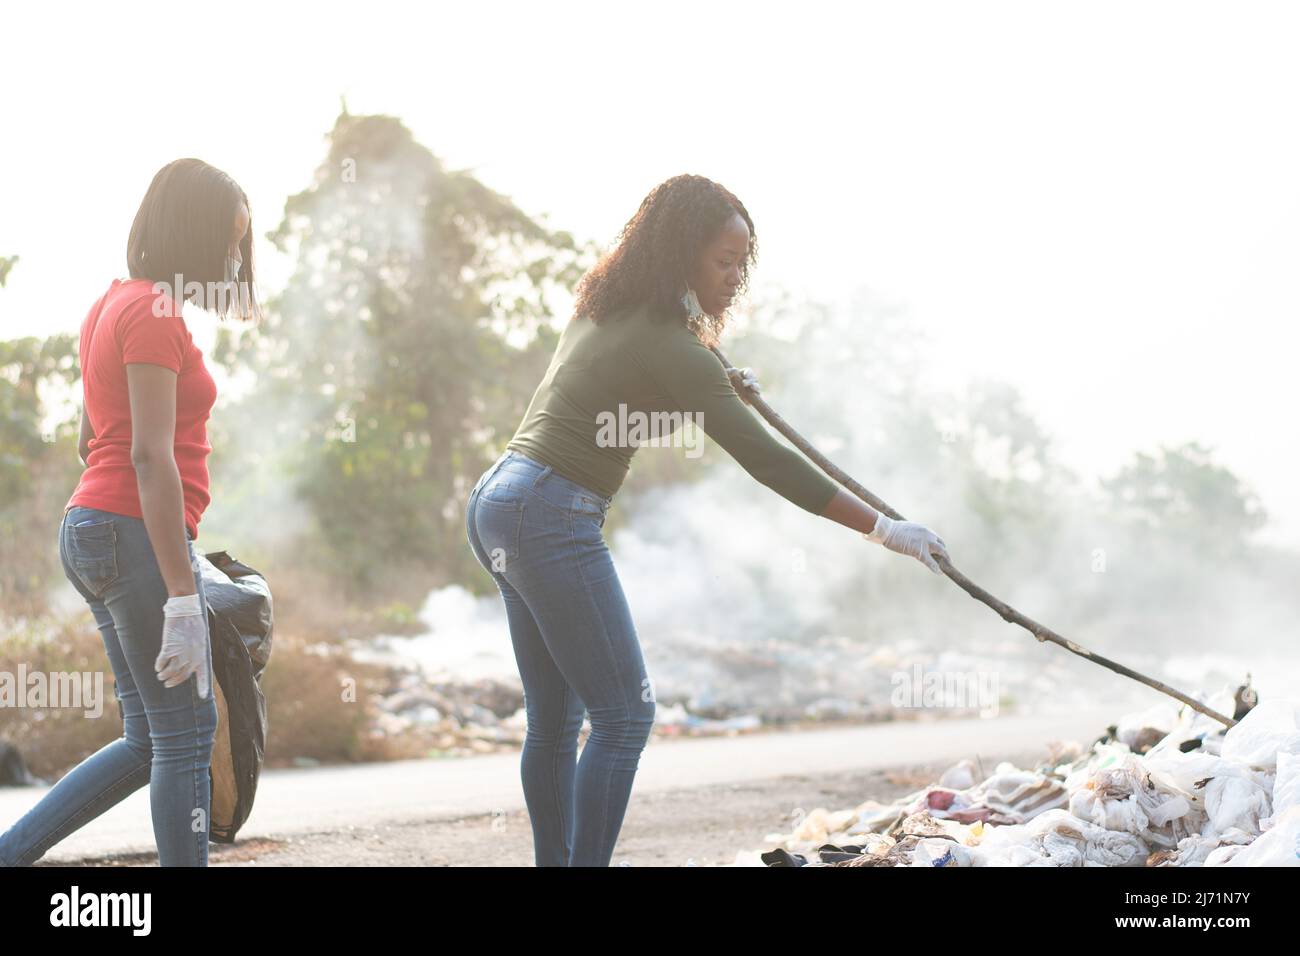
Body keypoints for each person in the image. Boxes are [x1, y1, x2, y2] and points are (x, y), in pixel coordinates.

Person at [464, 173, 949, 867]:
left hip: (499, 502)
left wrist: (716, 396)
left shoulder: (601, 309)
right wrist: (884, 529)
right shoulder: (676, 348)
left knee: (558, 717)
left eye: (741, 265)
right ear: (679, 253)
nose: (734, 279)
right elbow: (768, 462)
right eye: (723, 262)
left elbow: (611, 419)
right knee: (625, 715)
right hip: (549, 513)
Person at [0, 158, 261, 867]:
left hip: (94, 526)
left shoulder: (114, 302)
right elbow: (149, 457)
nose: (234, 257)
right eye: (229, 240)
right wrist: (180, 594)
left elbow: (92, 438)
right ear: (192, 232)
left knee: (150, 738)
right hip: (131, 529)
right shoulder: (154, 313)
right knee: (186, 733)